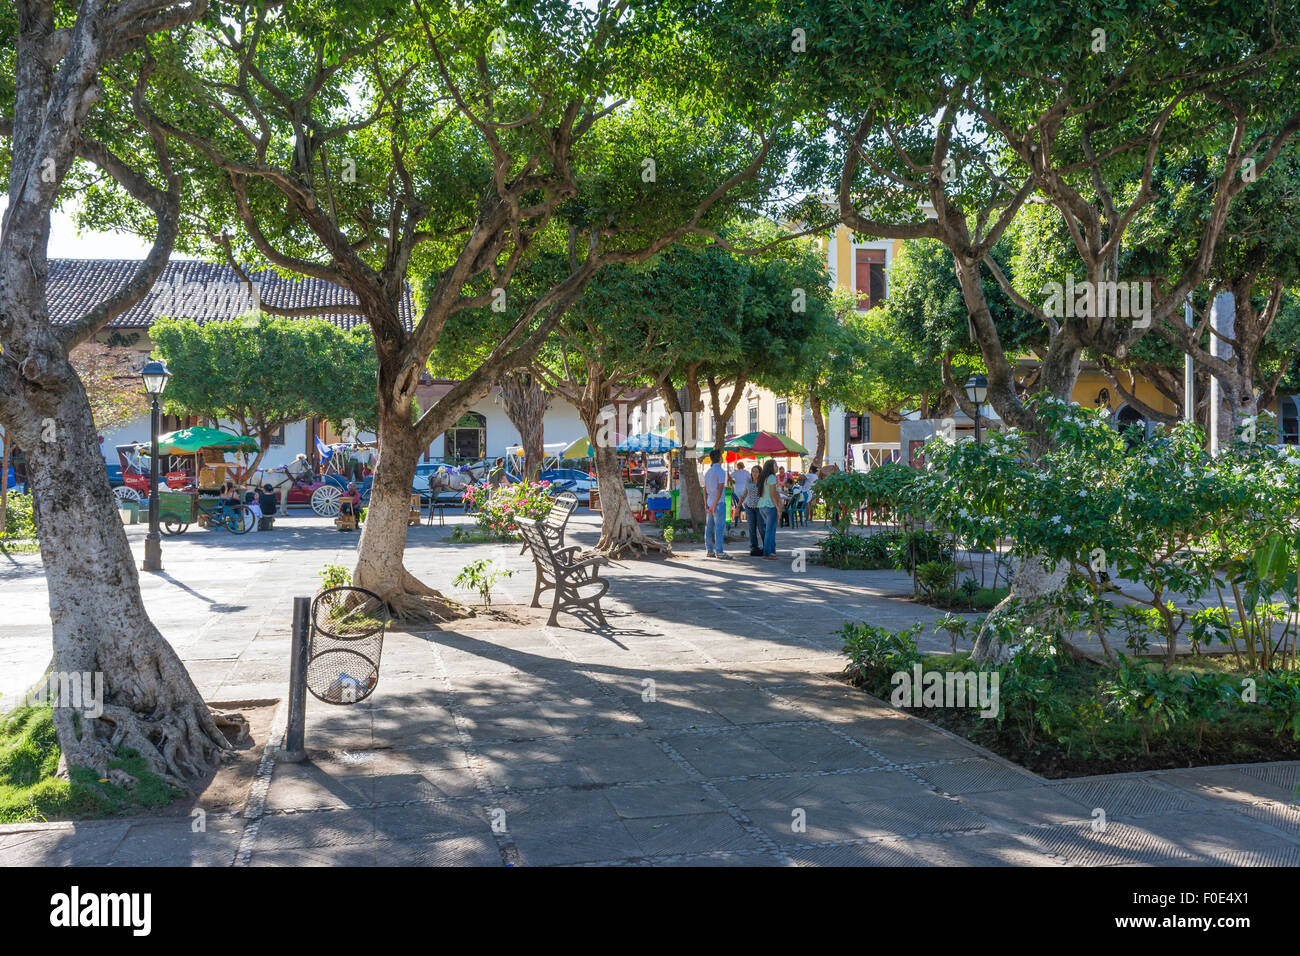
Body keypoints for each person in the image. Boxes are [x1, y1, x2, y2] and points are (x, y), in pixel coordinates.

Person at [703, 448, 730, 559]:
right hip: (718, 503)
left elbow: (704, 489)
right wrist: (714, 505)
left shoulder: (708, 472)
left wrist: (706, 504)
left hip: (709, 502)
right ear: (719, 458)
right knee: (719, 527)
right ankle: (719, 551)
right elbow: (720, 489)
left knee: (708, 527)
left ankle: (709, 550)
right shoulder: (721, 471)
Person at [757, 460, 780, 560]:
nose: (777, 467)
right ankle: (769, 553)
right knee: (770, 530)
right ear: (771, 466)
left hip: (761, 505)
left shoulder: (763, 477)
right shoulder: (772, 477)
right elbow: (773, 495)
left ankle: (770, 552)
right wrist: (778, 508)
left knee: (768, 530)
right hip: (770, 506)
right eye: (776, 465)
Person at [744, 464, 762, 555]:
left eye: (756, 471)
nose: (754, 473)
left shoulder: (762, 482)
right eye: (753, 471)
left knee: (761, 527)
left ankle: (766, 546)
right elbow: (744, 493)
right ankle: (754, 547)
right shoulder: (749, 481)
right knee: (752, 528)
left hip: (759, 508)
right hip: (749, 507)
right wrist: (739, 505)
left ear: (760, 473)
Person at [730, 461, 750, 527]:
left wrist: (733, 481)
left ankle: (738, 519)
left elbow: (729, 477)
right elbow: (751, 479)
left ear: (738, 467)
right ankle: (749, 518)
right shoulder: (746, 472)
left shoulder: (735, 472)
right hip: (745, 490)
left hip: (737, 490)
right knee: (746, 504)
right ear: (743, 466)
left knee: (738, 505)